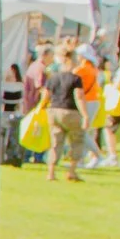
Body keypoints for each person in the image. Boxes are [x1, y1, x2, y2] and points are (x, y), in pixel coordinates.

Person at [43, 42, 88, 181]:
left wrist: (41, 107)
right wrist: (85, 115)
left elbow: (46, 96)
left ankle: (51, 172)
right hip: (70, 111)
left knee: (56, 142)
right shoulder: (75, 79)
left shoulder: (53, 77)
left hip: (54, 110)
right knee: (77, 140)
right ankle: (72, 171)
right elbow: (79, 97)